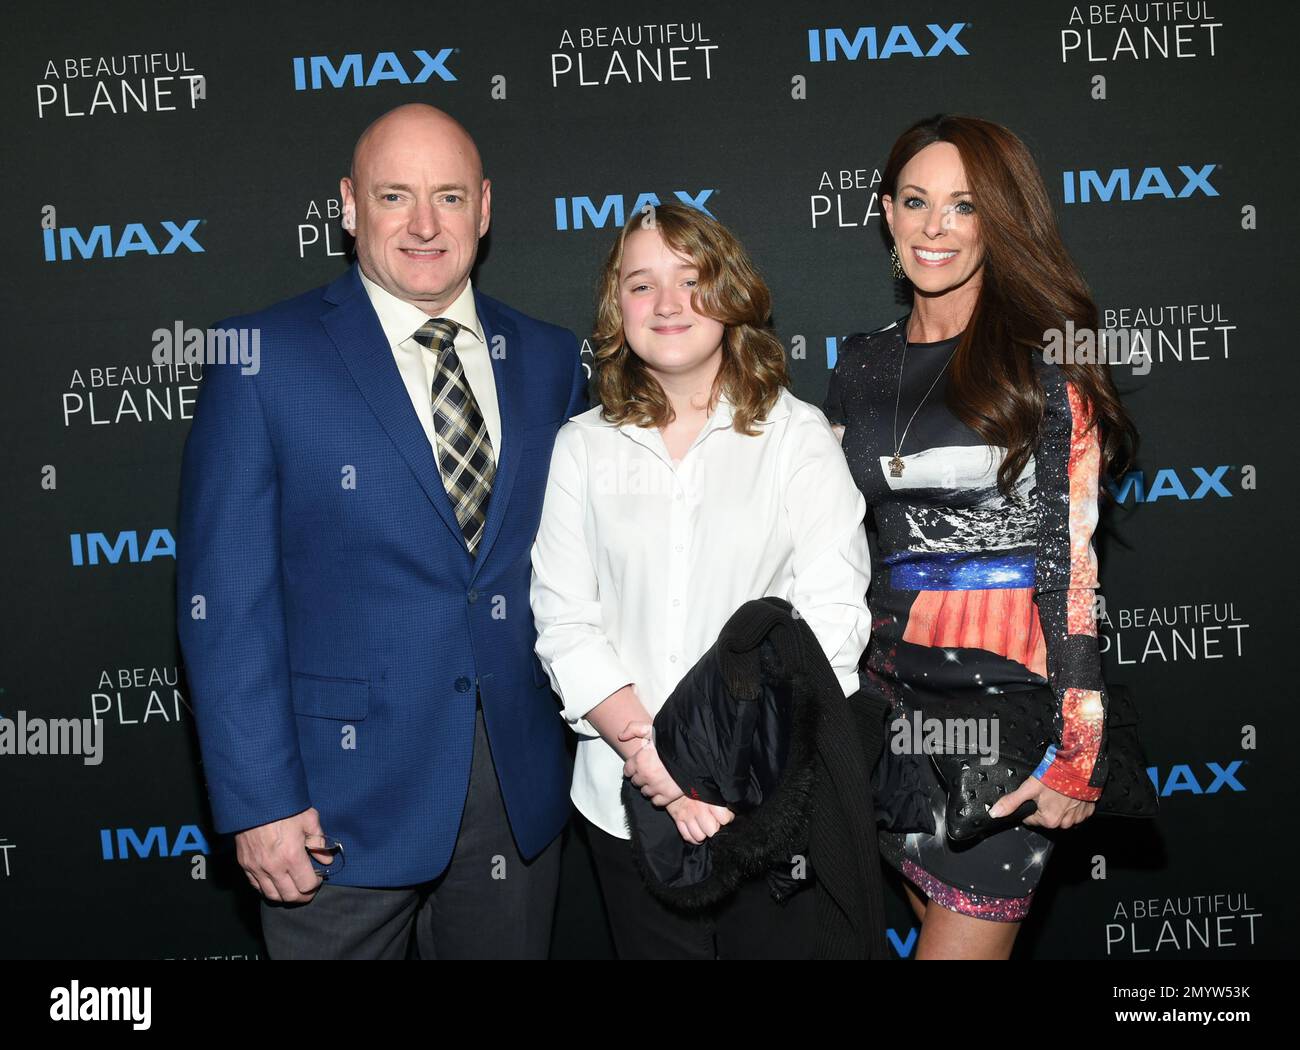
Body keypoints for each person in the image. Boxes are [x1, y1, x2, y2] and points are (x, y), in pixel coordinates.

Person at [176, 103, 586, 959]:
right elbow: (227, 602)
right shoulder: (261, 357)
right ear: (349, 205)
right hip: (331, 810)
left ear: (484, 206)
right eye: (395, 195)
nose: (425, 225)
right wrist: (259, 803)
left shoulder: (549, 359)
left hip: (515, 796)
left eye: (447, 196)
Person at [824, 114, 1139, 959]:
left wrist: (1078, 749)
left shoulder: (1049, 359)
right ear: (885, 214)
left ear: (999, 220)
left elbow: (1069, 559)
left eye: (964, 207)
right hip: (890, 709)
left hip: (1007, 714)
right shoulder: (857, 368)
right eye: (917, 202)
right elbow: (829, 539)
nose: (937, 228)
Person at [529, 202, 872, 959]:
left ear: (732, 293)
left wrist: (724, 771)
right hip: (626, 803)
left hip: (770, 804)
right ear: (616, 308)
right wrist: (654, 761)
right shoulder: (581, 448)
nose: (668, 303)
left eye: (692, 278)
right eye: (641, 284)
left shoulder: (796, 436)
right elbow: (564, 618)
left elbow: (832, 619)